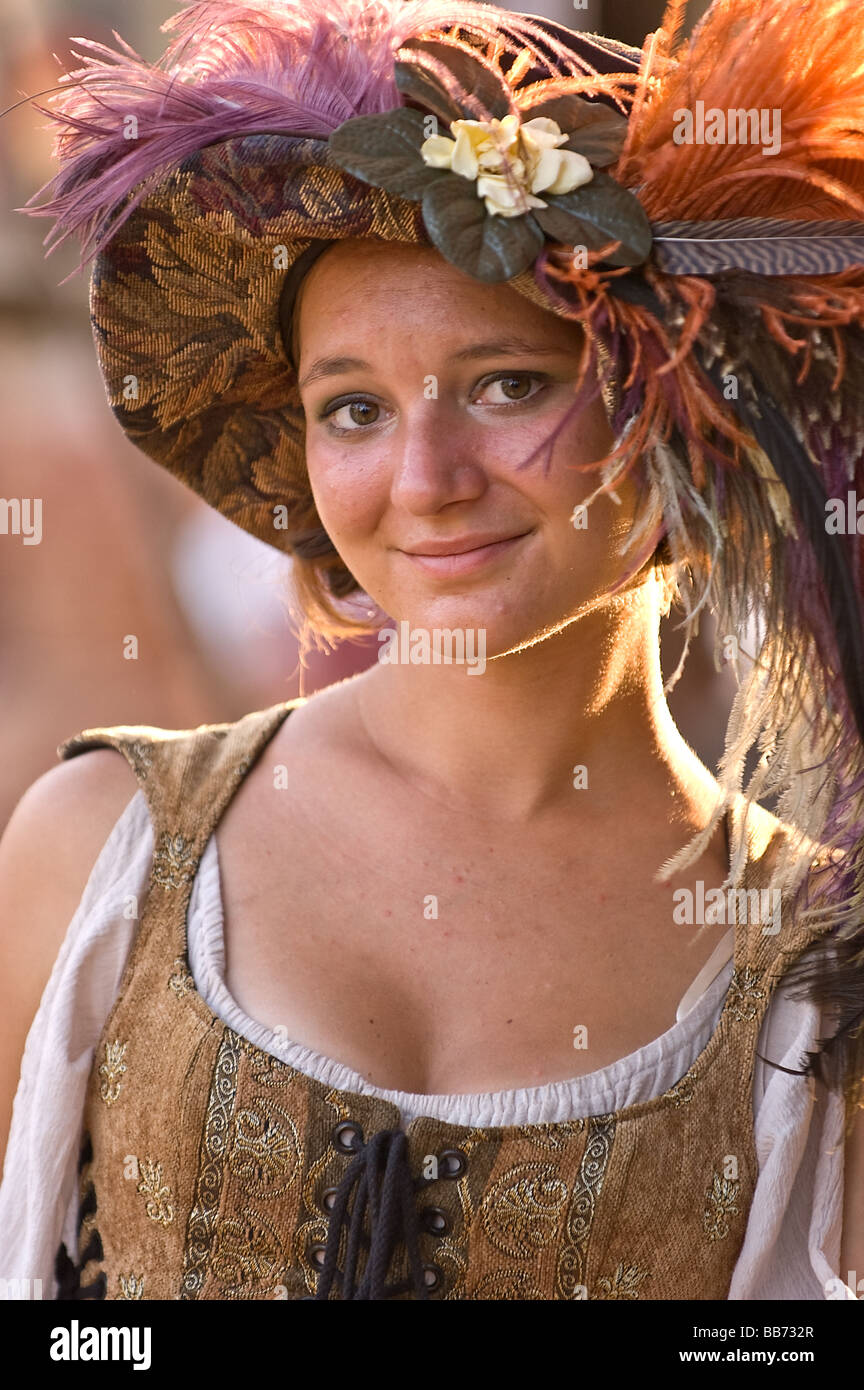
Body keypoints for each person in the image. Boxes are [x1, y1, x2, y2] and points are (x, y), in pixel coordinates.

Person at [0, 0, 862, 1301]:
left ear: (675, 402)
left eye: (507, 383)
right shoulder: (98, 847)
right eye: (353, 406)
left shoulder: (810, 968)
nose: (425, 477)